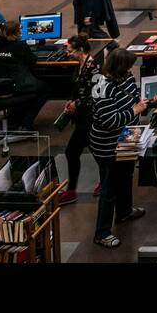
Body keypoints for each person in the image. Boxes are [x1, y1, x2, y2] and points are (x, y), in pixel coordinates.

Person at [89, 48, 148, 248]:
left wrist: (144, 102)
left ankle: (124, 212)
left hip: (129, 135)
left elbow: (134, 95)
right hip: (109, 145)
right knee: (109, 188)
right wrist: (136, 109)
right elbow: (109, 121)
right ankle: (102, 233)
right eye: (129, 65)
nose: (132, 69)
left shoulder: (127, 77)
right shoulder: (103, 88)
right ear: (120, 67)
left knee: (126, 176)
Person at [0, 20, 48, 130]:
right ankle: (26, 123)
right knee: (45, 89)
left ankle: (16, 119)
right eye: (20, 30)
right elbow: (32, 61)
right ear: (16, 33)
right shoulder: (20, 45)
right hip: (13, 85)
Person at [57, 33, 96, 206]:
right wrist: (71, 101)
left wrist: (77, 104)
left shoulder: (93, 68)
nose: (68, 53)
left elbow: (97, 94)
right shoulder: (80, 65)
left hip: (89, 117)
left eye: (70, 50)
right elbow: (79, 87)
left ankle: (71, 190)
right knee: (96, 151)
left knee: (72, 152)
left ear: (80, 50)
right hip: (82, 117)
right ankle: (106, 181)